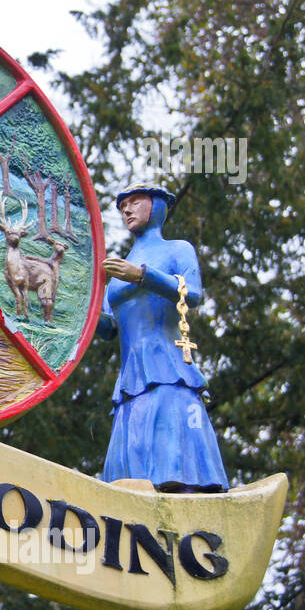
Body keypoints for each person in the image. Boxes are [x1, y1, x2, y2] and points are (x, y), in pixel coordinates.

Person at [97, 183, 229, 492]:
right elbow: (107, 329)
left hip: (168, 370)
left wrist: (143, 275)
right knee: (129, 476)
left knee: (176, 463)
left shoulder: (177, 250)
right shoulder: (116, 269)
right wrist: (77, 313)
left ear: (157, 205)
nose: (126, 209)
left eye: (134, 202)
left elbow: (192, 294)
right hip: (130, 381)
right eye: (122, 206)